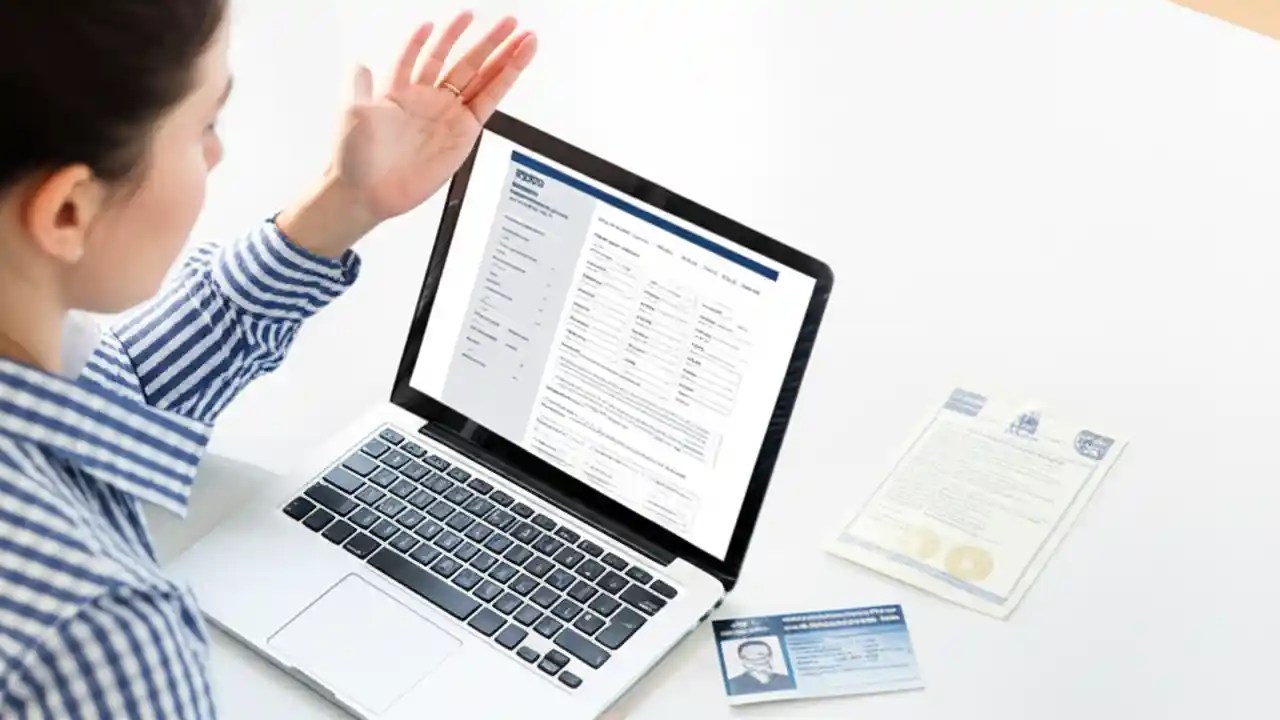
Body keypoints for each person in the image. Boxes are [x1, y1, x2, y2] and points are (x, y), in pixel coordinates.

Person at [0, 2, 536, 716]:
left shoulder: (36, 358)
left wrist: (346, 203)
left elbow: (115, 402)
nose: (217, 155)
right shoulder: (100, 635)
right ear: (68, 211)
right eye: (204, 128)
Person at [726, 640, 796, 695]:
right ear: (743, 659)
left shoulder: (787, 680)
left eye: (766, 655)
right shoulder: (733, 684)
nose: (762, 659)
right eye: (754, 655)